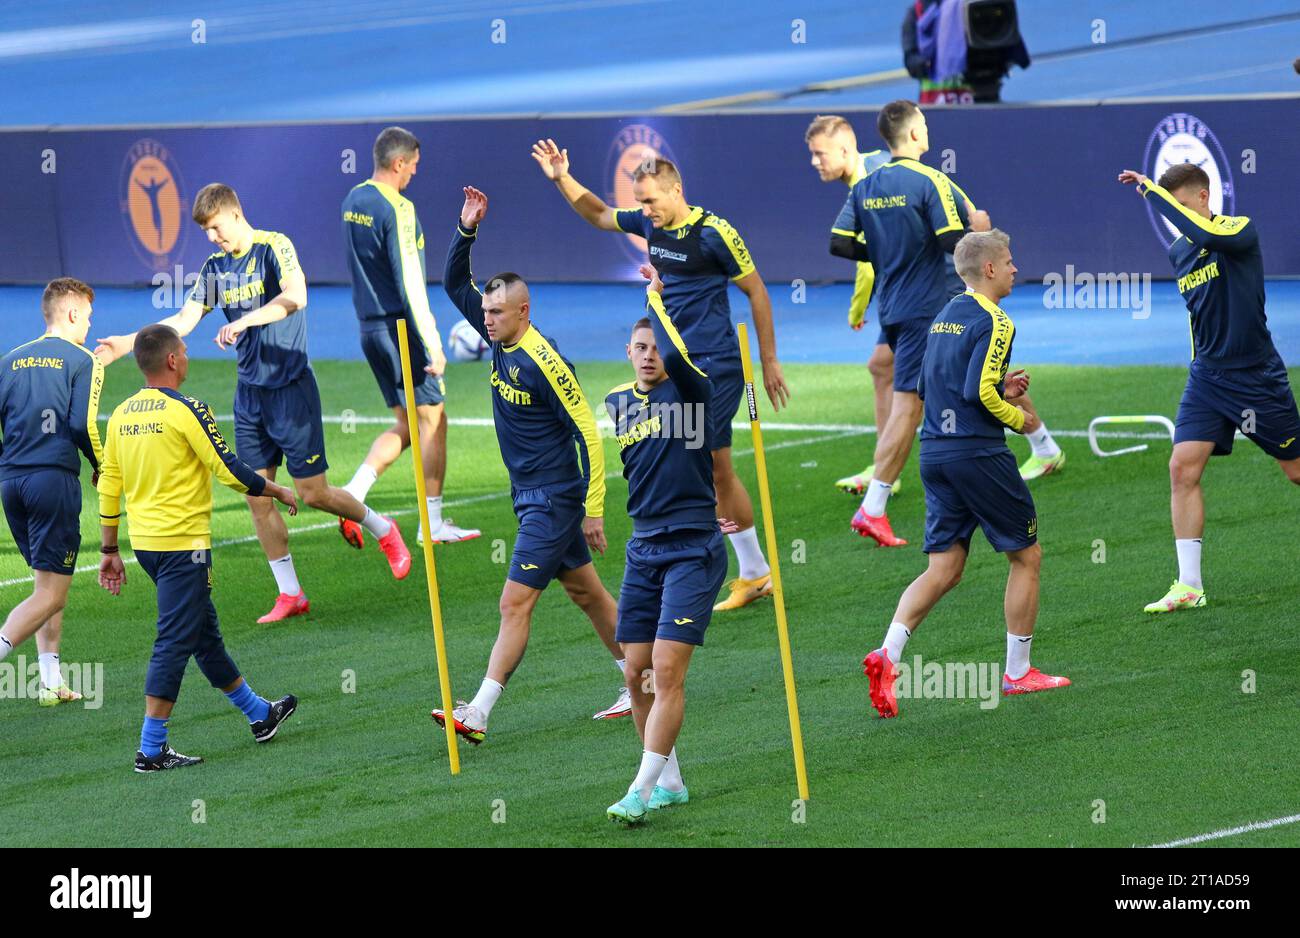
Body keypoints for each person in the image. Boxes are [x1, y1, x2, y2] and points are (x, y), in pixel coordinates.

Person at [96, 183, 411, 624]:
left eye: (215, 227)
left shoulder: (273, 246)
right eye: (206, 230)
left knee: (312, 493)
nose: (212, 237)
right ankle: (291, 594)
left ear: (235, 214)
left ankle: (384, 529)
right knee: (257, 495)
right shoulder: (215, 266)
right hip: (249, 396)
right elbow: (185, 320)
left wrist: (246, 319)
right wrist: (129, 342)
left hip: (291, 388)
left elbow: (296, 296)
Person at [532, 140, 789, 612]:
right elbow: (600, 214)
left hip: (713, 365)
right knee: (689, 461)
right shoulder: (651, 226)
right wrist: (561, 177)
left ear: (676, 191)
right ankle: (729, 567)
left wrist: (769, 360)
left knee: (713, 463)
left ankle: (752, 572)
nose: (644, 210)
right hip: (672, 363)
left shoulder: (715, 233)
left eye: (651, 200)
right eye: (640, 201)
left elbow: (757, 293)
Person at [432, 185, 629, 738]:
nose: (486, 320)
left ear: (523, 311)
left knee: (514, 602)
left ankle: (478, 712)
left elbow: (588, 432)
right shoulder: (499, 337)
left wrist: (592, 509)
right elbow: (453, 284)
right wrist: (466, 226)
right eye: (485, 311)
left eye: (496, 312)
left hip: (555, 498)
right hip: (531, 496)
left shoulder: (546, 362)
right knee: (588, 593)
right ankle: (641, 681)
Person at [863, 231, 1070, 718]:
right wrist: (1022, 419)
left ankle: (887, 654)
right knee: (1027, 556)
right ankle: (1018, 673)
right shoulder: (996, 321)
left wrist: (1002, 383)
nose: (1017, 268)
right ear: (991, 270)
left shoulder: (944, 316)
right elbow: (979, 394)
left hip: (935, 452)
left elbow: (929, 384)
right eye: (1010, 261)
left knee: (945, 568)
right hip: (977, 454)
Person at [810, 112, 1064, 494]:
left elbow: (877, 251)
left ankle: (1041, 445)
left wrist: (858, 306)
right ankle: (884, 465)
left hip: (935, 287)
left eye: (820, 154)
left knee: (969, 372)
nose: (815, 162)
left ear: (845, 148)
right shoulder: (883, 172)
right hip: (910, 290)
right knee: (883, 366)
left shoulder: (877, 177)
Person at [97, 324, 301, 771]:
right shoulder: (187, 409)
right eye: (184, 351)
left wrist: (109, 547)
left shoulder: (121, 414)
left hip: (147, 548)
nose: (187, 358)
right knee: (173, 641)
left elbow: (108, 482)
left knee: (202, 635)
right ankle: (151, 749)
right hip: (184, 548)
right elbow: (227, 467)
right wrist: (276, 490)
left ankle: (259, 714)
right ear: (171, 361)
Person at [1118, 164, 1300, 613]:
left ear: (1203, 198)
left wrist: (1148, 191)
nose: (1177, 218)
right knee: (1182, 468)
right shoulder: (1180, 252)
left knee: (1296, 471)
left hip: (1256, 376)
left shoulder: (1238, 231)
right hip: (1207, 377)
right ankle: (1189, 585)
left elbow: (1208, 237)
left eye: (1181, 206)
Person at [604, 267, 732, 824]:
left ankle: (640, 788)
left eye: (657, 347)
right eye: (640, 348)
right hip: (643, 551)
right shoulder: (616, 403)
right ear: (627, 352)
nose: (650, 355)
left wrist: (655, 298)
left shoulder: (694, 392)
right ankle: (671, 780)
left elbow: (679, 360)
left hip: (693, 552)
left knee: (666, 669)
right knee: (635, 672)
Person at [830, 100, 986, 547]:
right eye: (925, 126)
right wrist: (980, 233)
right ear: (915, 134)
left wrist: (879, 252)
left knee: (948, 393)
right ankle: (874, 508)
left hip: (893, 309)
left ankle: (964, 482)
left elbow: (839, 243)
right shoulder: (931, 180)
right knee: (909, 407)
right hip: (928, 307)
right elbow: (949, 241)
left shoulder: (867, 184)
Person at [339, 126, 479, 545]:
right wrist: (433, 343)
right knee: (434, 422)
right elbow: (411, 283)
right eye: (413, 165)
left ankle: (353, 493)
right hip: (402, 331)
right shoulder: (397, 208)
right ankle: (431, 524)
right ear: (398, 163)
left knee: (408, 423)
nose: (415, 173)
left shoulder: (352, 201)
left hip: (369, 329)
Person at [0, 278, 104, 705]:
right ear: (74, 313)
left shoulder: (8, 360)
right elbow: (82, 425)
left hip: (12, 484)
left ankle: (49, 680)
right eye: (90, 318)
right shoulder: (82, 360)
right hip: (53, 481)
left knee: (45, 582)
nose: (90, 327)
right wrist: (102, 466)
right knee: (52, 592)